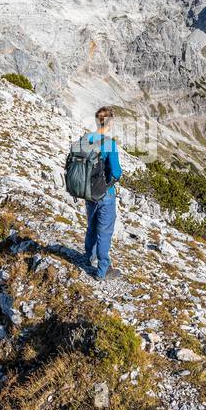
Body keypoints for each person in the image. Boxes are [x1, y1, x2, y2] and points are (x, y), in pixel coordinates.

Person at [83, 106, 123, 280]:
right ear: (110, 122)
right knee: (104, 230)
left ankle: (87, 257)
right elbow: (116, 172)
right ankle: (103, 270)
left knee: (91, 226)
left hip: (88, 191)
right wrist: (108, 186)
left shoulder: (85, 139)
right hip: (105, 193)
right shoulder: (109, 144)